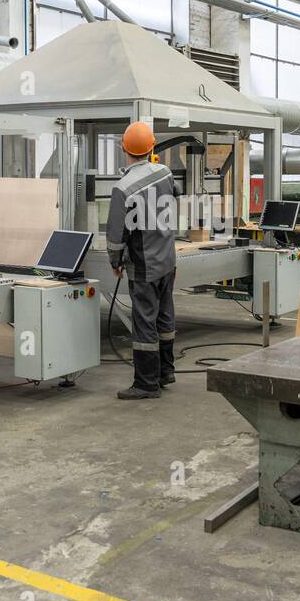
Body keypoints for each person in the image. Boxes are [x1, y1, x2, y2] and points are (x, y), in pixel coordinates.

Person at [106, 120, 178, 399]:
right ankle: (165, 372)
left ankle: (146, 383)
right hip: (167, 262)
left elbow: (116, 233)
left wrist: (115, 261)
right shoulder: (166, 173)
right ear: (152, 148)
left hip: (144, 265)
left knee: (144, 322)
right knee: (165, 316)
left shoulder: (123, 187)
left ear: (124, 149)